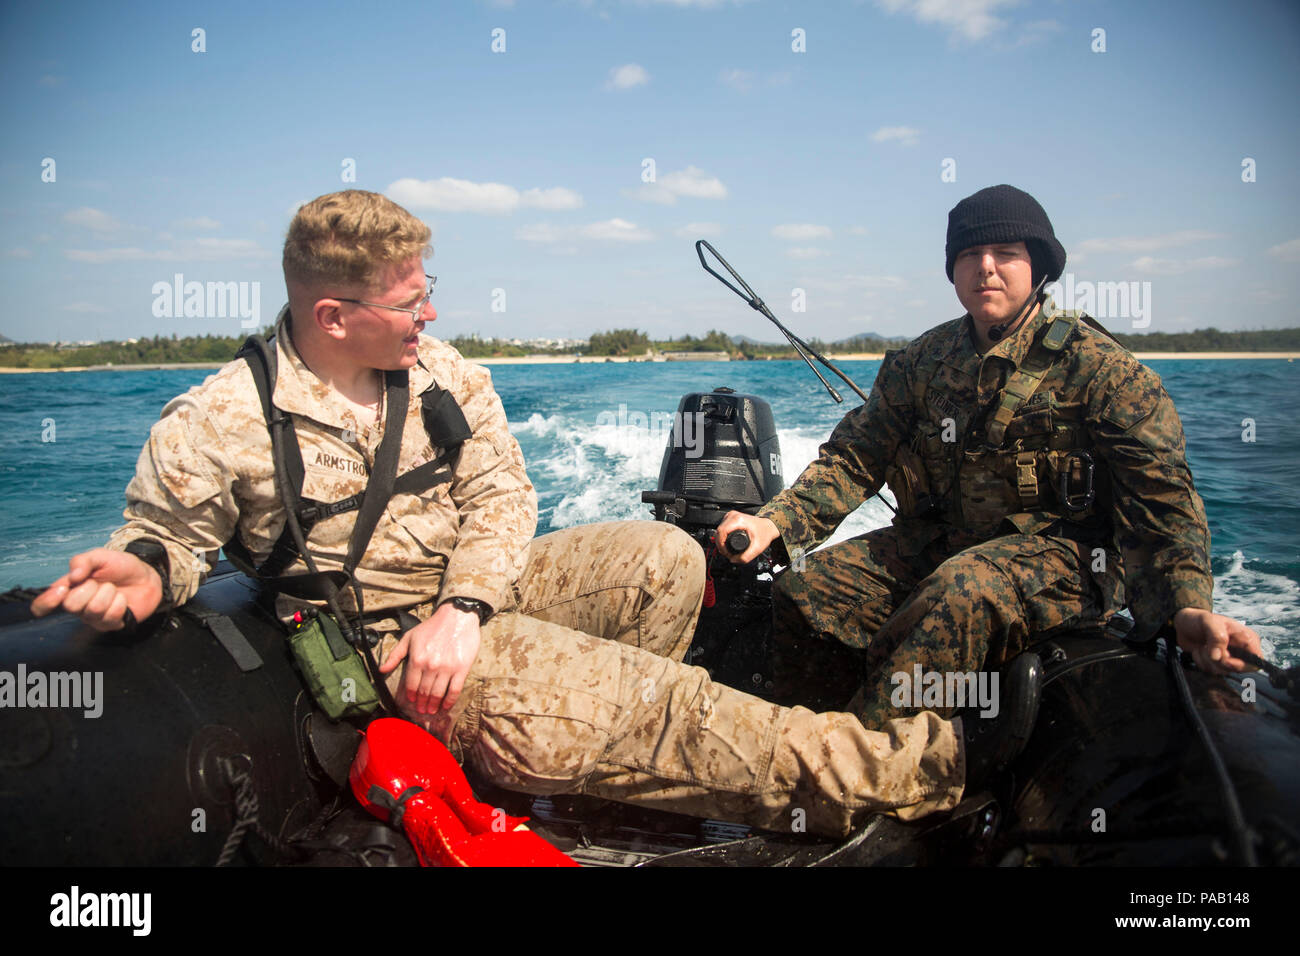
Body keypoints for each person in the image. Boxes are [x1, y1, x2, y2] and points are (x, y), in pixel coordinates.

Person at [31, 189, 997, 839]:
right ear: (333, 317)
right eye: (411, 303)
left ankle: (596, 768)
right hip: (390, 655)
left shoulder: (439, 375)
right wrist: (149, 568)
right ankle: (914, 764)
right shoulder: (221, 419)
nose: (430, 318)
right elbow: (169, 535)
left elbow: (504, 497)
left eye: (428, 292)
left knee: (667, 556)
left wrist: (472, 605)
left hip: (469, 607)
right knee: (676, 712)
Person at [718, 184, 1263, 728]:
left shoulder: (1105, 373)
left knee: (963, 591)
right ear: (952, 270)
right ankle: (807, 739)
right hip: (947, 544)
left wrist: (1185, 608)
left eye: (1006, 254)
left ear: (1038, 268)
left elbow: (1162, 504)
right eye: (969, 256)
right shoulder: (922, 360)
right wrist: (776, 524)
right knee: (806, 590)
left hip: (1068, 558)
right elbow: (856, 456)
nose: (987, 268)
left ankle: (885, 776)